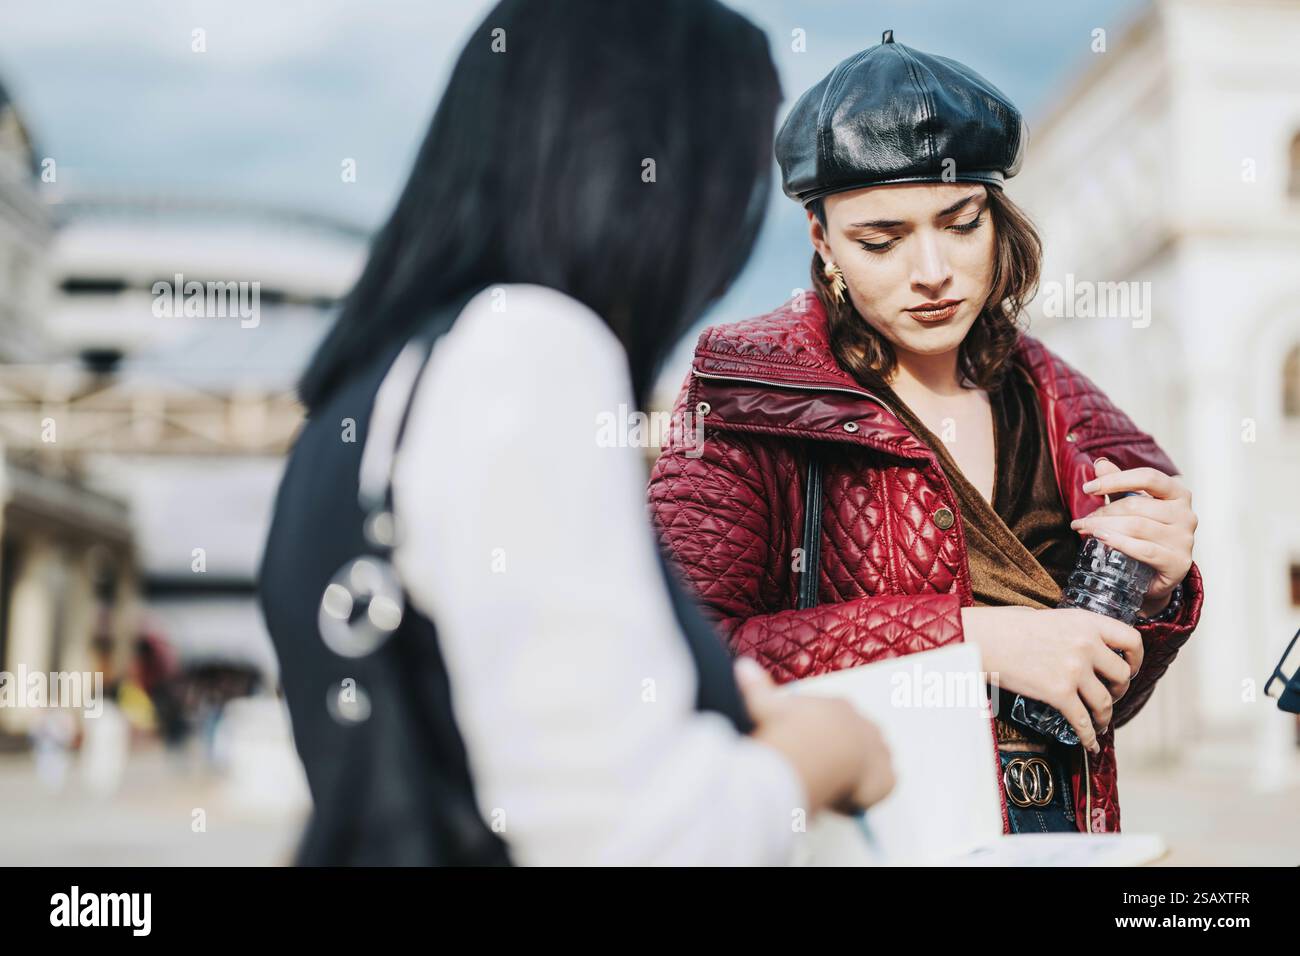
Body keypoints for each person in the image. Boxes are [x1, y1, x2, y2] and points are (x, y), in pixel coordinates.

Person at [259, 0, 893, 866]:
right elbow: (635, 841)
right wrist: (829, 752)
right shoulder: (530, 348)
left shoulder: (361, 400)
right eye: (730, 178)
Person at [648, 31, 1203, 835]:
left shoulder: (1062, 402)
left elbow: (1101, 701)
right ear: (822, 240)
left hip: (1065, 836)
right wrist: (973, 640)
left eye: (961, 222)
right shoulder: (743, 387)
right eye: (882, 239)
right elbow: (682, 658)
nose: (933, 271)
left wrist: (1156, 595)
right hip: (872, 831)